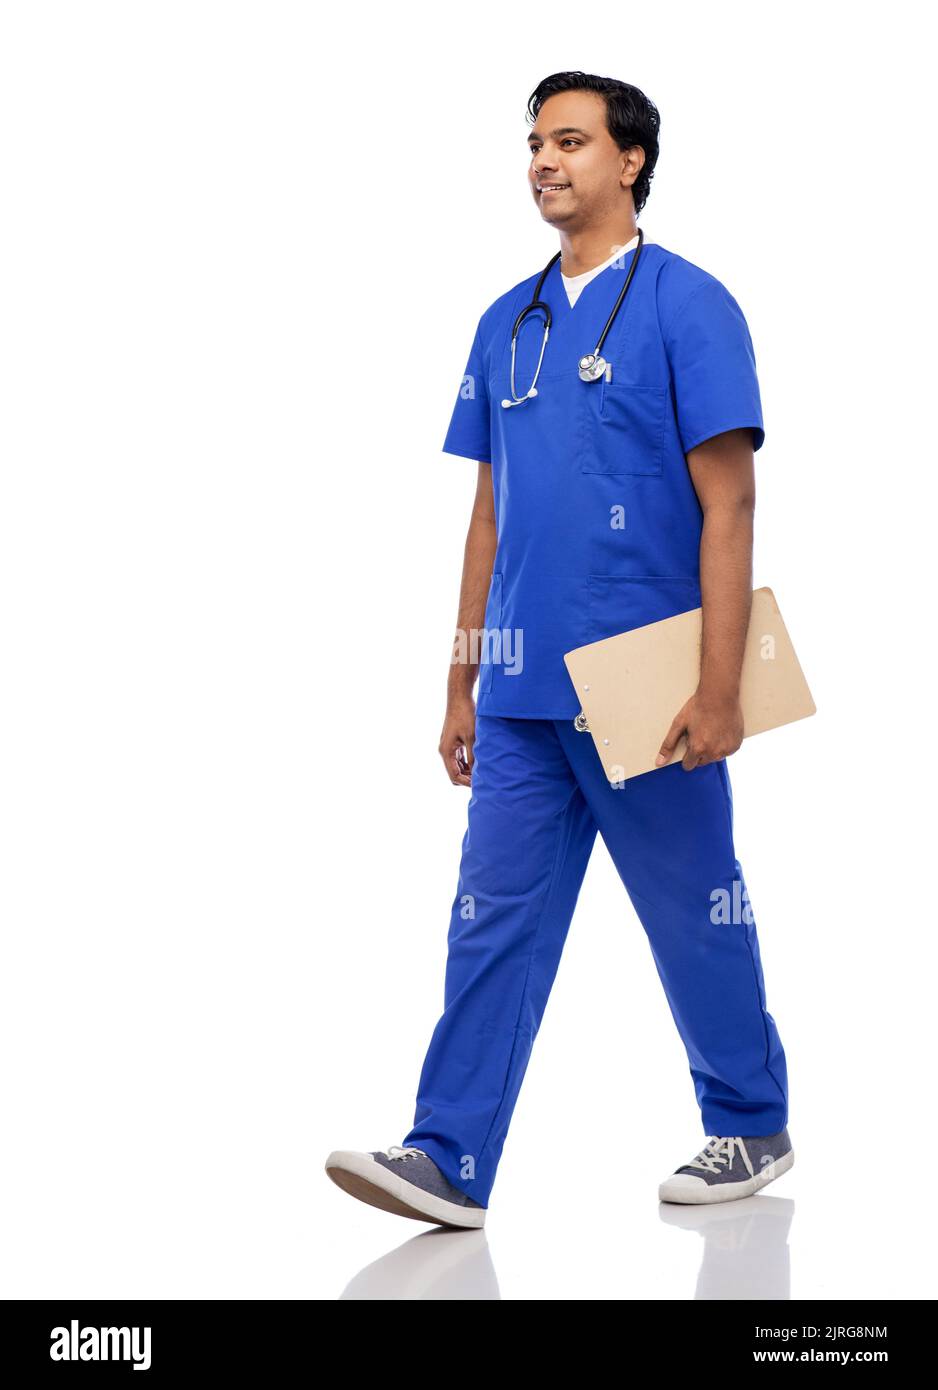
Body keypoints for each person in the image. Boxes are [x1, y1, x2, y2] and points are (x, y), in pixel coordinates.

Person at [325, 70, 792, 1228]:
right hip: (523, 688)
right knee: (488, 921)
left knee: (694, 912)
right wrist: (458, 682)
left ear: (628, 162)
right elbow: (487, 517)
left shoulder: (691, 307)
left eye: (569, 141)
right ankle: (447, 1158)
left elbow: (727, 508)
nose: (543, 159)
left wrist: (721, 687)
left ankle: (748, 1121)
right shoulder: (506, 321)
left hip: (647, 681)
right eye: (533, 141)